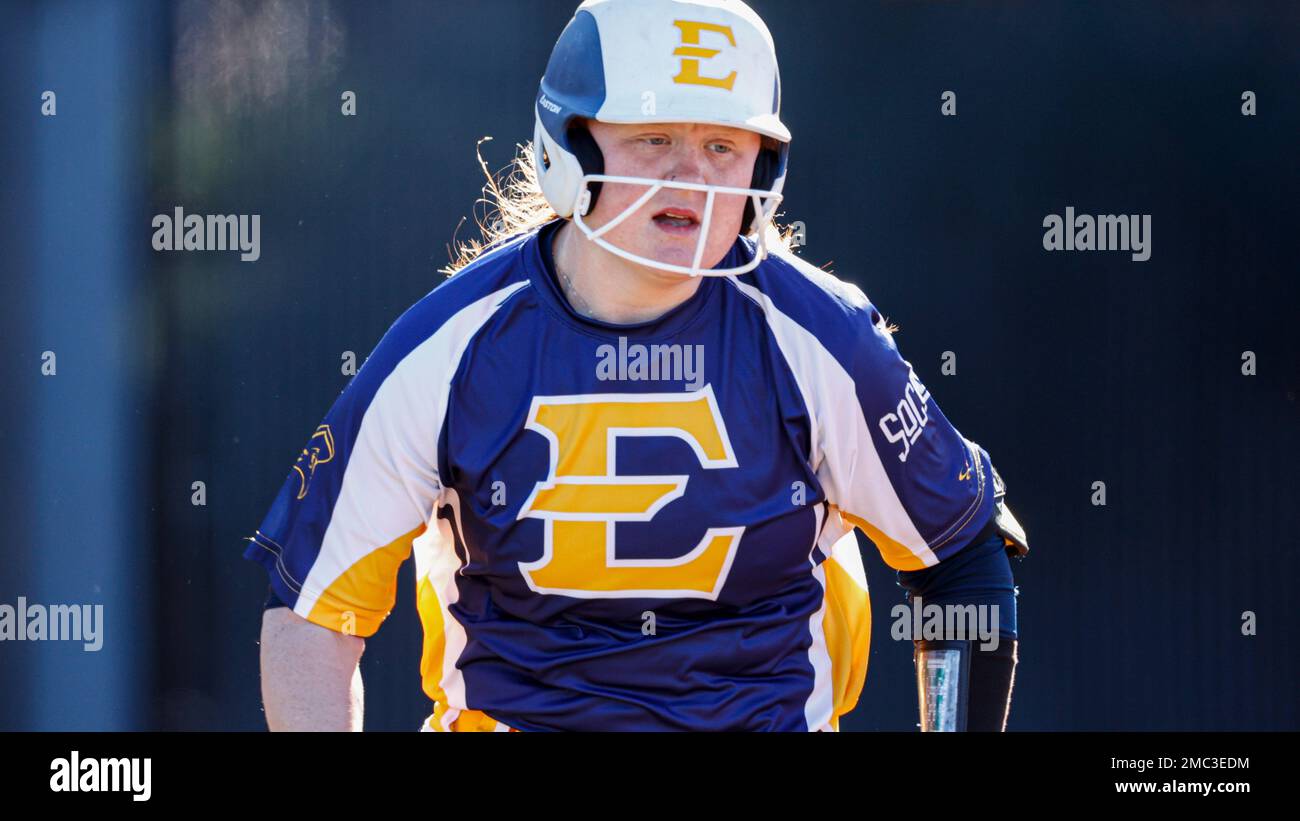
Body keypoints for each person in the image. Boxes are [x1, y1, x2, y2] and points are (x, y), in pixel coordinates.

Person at [246, 0, 1028, 732]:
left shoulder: (821, 341)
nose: (691, 176)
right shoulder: (451, 348)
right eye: (654, 138)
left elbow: (959, 560)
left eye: (722, 145)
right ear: (570, 142)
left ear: (762, 170)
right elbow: (312, 613)